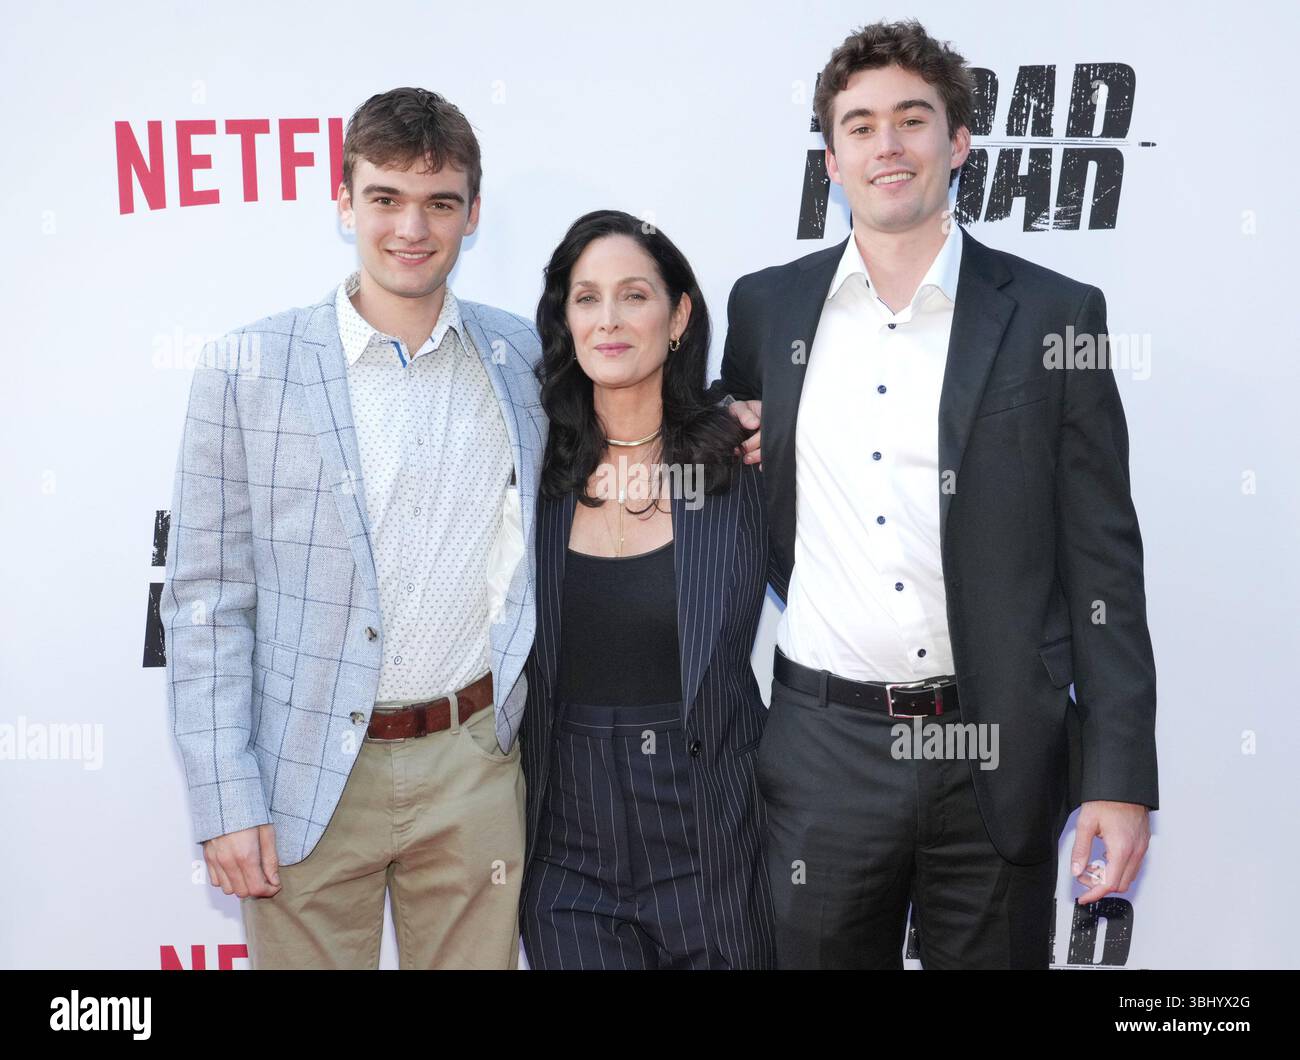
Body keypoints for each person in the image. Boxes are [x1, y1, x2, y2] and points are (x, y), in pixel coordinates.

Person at [714, 20, 1158, 968]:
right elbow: (737, 472)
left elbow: (1104, 563)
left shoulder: (1053, 314)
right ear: (830, 158)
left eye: (913, 120)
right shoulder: (765, 310)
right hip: (822, 750)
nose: (889, 145)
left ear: (958, 143)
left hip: (994, 752)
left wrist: (1119, 780)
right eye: (862, 125)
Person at [160, 87, 546, 969]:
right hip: (304, 772)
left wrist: (735, 428)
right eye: (385, 199)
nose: (412, 227)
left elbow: (635, 414)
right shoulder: (246, 369)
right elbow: (204, 602)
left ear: (472, 214)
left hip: (474, 766)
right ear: (344, 204)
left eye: (439, 202)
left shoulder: (521, 357)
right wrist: (226, 796)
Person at [518, 210, 776, 969]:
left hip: (713, 838)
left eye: (634, 295)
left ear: (679, 315)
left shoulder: (741, 463)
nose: (609, 320)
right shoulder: (530, 466)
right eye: (586, 298)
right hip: (566, 847)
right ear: (565, 320)